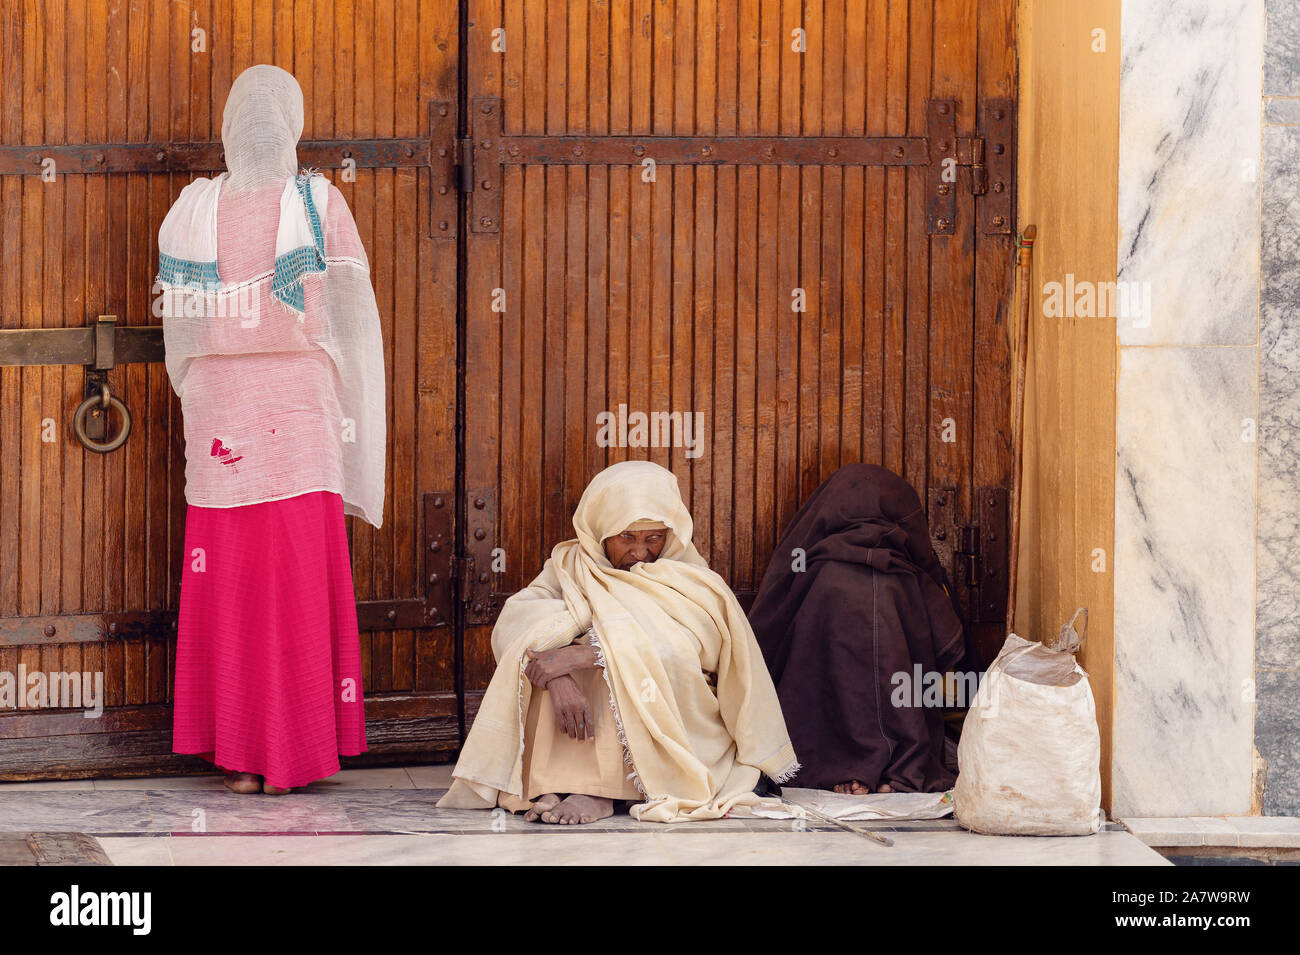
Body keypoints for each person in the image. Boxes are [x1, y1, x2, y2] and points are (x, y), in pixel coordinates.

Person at [157, 65, 386, 794]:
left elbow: (186, 333)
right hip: (298, 417)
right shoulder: (316, 201)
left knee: (229, 579)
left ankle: (242, 749)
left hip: (220, 416)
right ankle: (294, 749)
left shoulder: (191, 209)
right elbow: (341, 321)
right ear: (292, 124)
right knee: (292, 579)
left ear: (229, 125)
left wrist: (233, 336)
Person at [437, 460, 799, 823]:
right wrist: (558, 674)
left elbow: (680, 650)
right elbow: (518, 628)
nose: (640, 553)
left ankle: (603, 791)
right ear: (599, 531)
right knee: (541, 661)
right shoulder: (568, 565)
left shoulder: (693, 580)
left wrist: (587, 655)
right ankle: (554, 781)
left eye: (653, 538)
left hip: (681, 708)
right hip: (576, 681)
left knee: (618, 671)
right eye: (626, 538)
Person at [747, 463, 966, 795]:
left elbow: (770, 640)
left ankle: (841, 771)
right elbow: (949, 647)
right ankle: (897, 773)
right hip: (906, 747)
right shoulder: (906, 575)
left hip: (819, 748)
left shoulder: (811, 570)